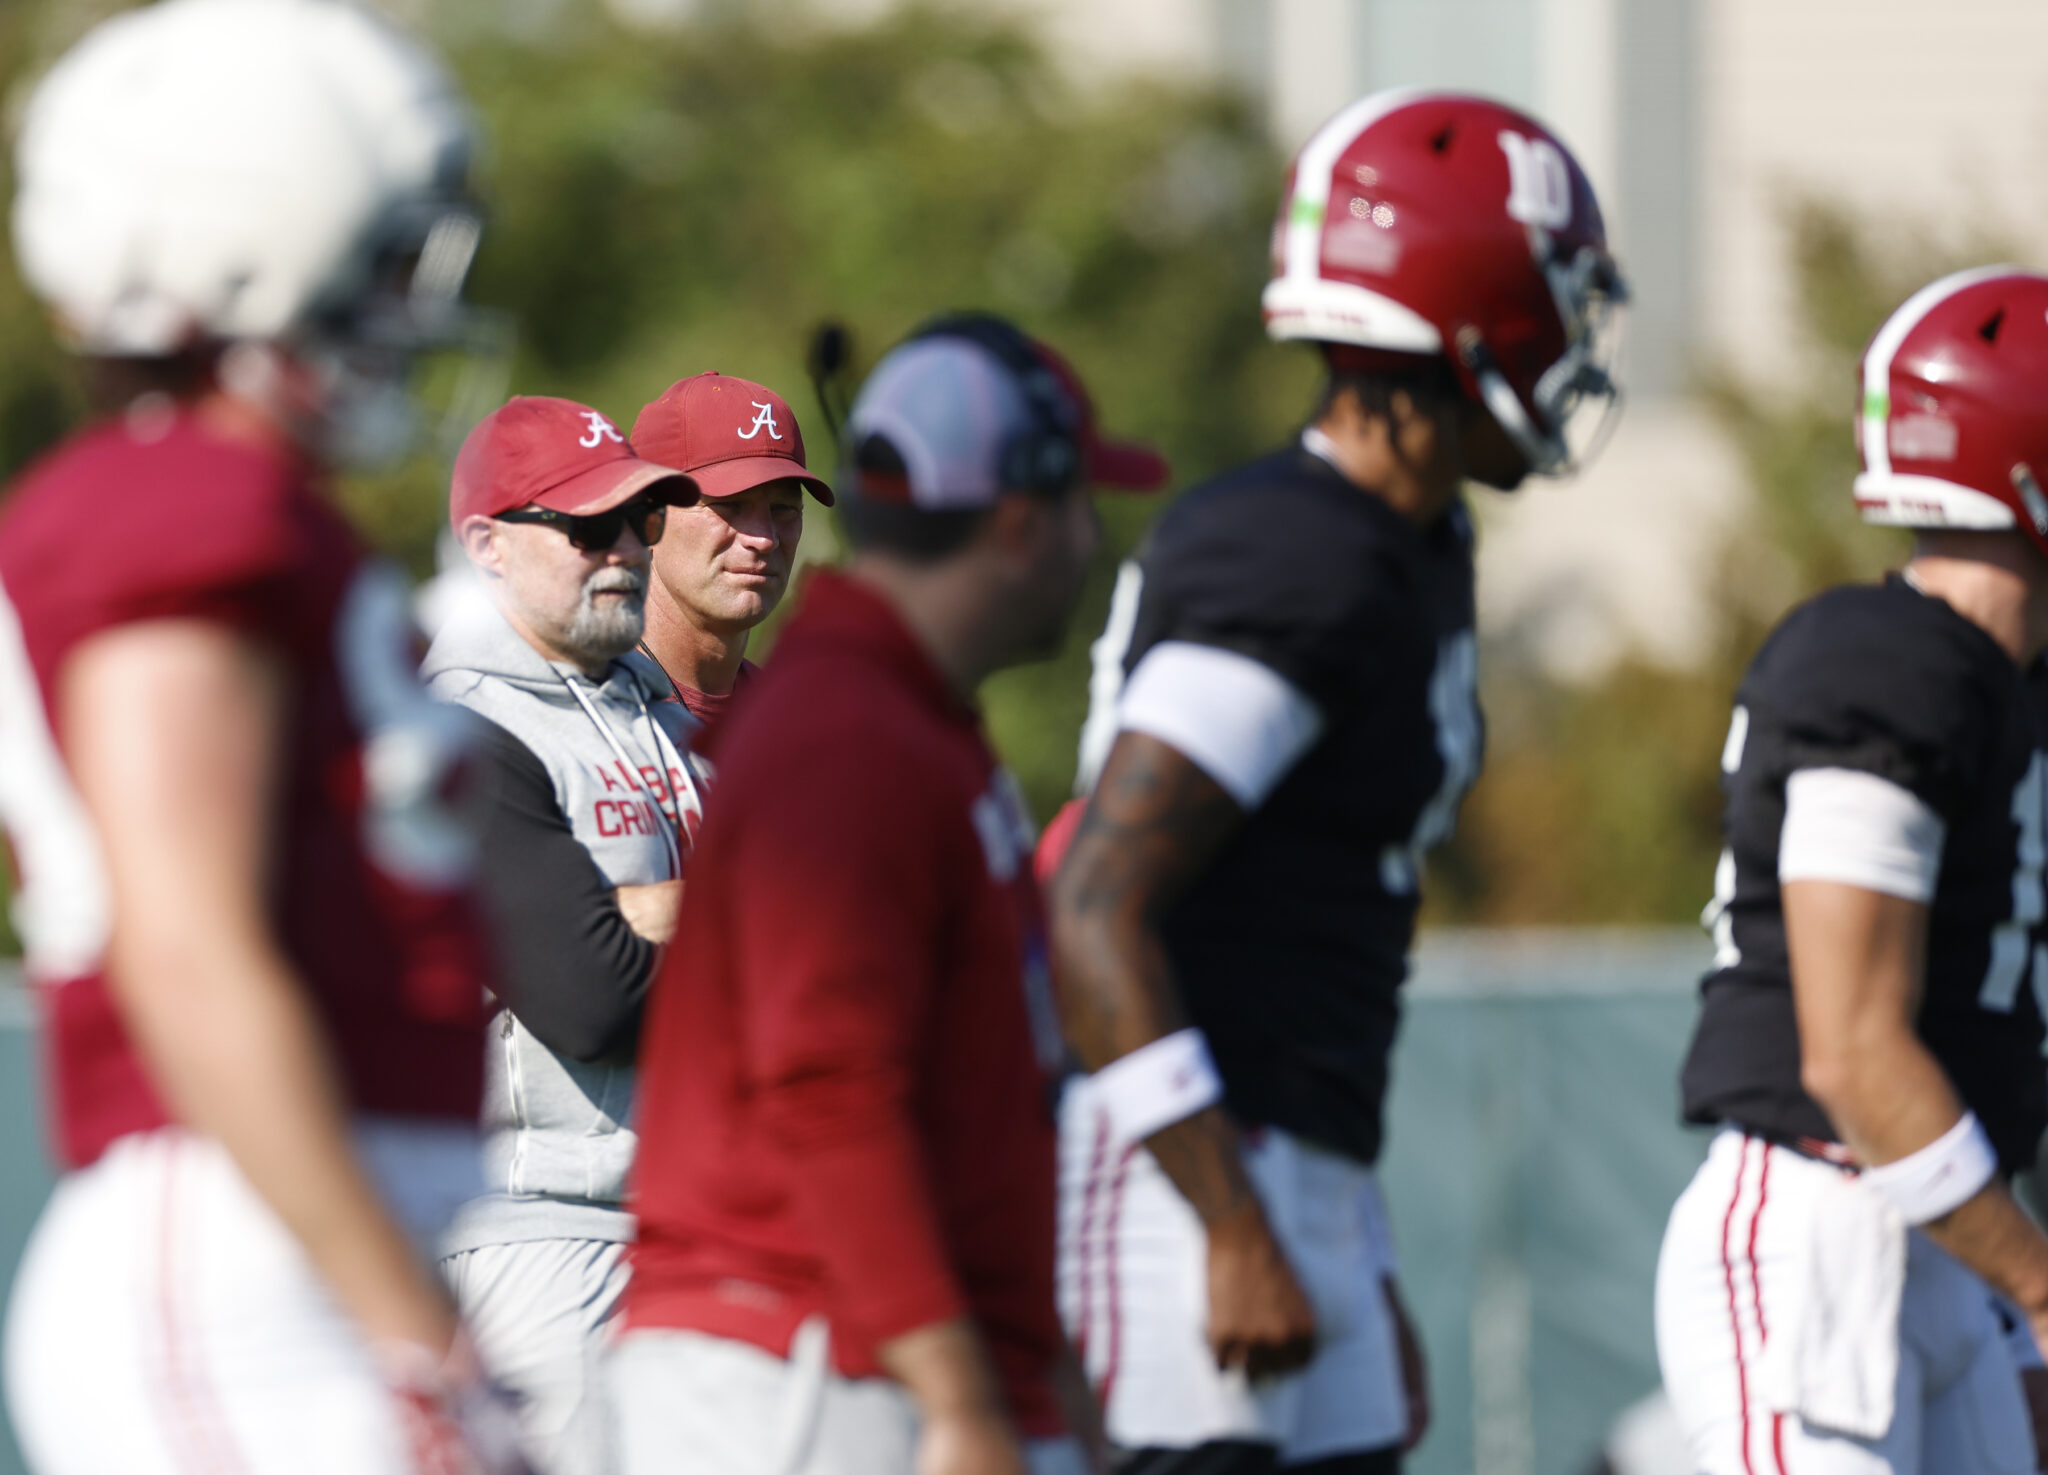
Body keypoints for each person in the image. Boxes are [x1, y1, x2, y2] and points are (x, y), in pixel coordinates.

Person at [1045, 91, 1627, 1475]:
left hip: (1299, 1146)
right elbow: (1093, 901)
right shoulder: (1299, 552)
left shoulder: (1403, 541)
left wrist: (1338, 1231)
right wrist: (1236, 1221)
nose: (1577, 340)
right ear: (1470, 305)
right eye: (1559, 298)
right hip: (1183, 1165)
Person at [0, 2, 523, 1471]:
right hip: (249, 1245)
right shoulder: (181, 508)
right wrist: (407, 1325)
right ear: (259, 241)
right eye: (383, 262)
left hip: (317, 1220)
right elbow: (186, 944)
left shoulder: (260, 512)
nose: (409, 306)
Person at [610, 312, 1168, 1475]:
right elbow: (828, 1086)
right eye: (1082, 509)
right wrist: (960, 1401)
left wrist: (1040, 1382)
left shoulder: (899, 717)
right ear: (1019, 521)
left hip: (864, 1354)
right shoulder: (849, 735)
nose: (1091, 543)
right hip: (804, 1362)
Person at [1657, 266, 2048, 1475]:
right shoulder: (1881, 661)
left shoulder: (2006, 691)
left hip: (1951, 1235)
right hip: (1818, 1235)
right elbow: (1850, 1054)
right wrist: (2039, 1287)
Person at [424, 395, 704, 1474]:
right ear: (486, 545)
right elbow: (594, 995)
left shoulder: (654, 709)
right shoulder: (462, 723)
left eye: (638, 521)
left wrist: (653, 909)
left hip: (676, 1230)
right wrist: (733, 916)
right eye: (587, 526)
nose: (626, 550)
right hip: (541, 1234)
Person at [626, 372, 834, 730]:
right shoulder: (580, 709)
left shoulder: (800, 727)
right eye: (729, 505)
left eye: (783, 509)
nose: (765, 538)